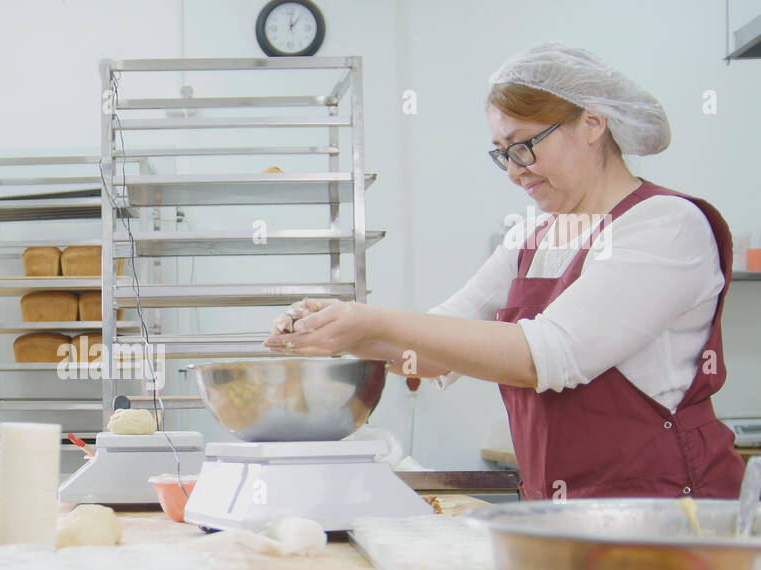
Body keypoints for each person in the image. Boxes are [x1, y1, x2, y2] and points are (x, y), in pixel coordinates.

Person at [267, 43, 744, 500]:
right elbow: (437, 346)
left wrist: (367, 321)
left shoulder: (665, 224)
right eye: (502, 153)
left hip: (668, 511)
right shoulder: (531, 239)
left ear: (593, 123)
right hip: (560, 513)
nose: (515, 171)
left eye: (523, 146)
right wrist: (335, 330)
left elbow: (546, 356)